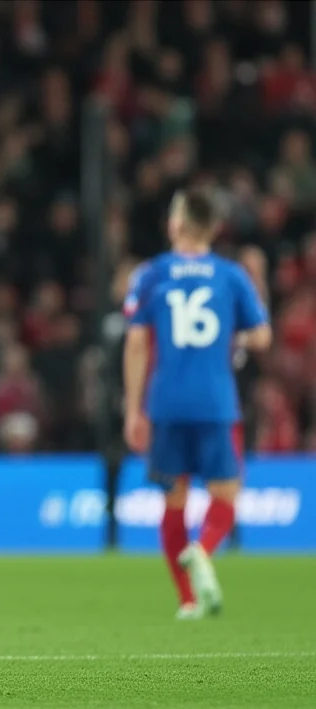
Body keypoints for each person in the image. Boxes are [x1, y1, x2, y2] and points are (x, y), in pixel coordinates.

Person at [123, 188, 270, 620]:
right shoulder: (231, 276)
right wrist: (236, 332)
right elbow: (262, 336)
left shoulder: (151, 274)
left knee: (174, 501)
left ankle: (187, 600)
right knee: (226, 493)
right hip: (215, 401)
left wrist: (134, 408)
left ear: (177, 223)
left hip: (165, 402)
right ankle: (203, 550)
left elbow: (135, 342)